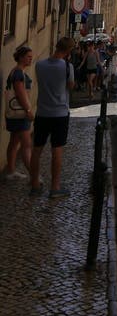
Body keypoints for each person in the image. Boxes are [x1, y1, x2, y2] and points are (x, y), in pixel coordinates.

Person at [29, 36, 75, 199]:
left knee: (36, 150)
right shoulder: (67, 67)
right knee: (57, 150)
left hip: (42, 113)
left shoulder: (39, 65)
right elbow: (70, 86)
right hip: (60, 114)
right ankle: (55, 187)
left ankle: (35, 184)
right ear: (68, 51)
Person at [4, 45, 34, 179]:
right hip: (20, 114)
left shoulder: (15, 72)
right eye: (28, 57)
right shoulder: (18, 73)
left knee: (14, 142)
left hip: (14, 113)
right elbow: (20, 93)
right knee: (26, 145)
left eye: (31, 57)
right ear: (21, 57)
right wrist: (28, 110)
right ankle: (34, 176)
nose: (30, 59)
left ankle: (11, 171)